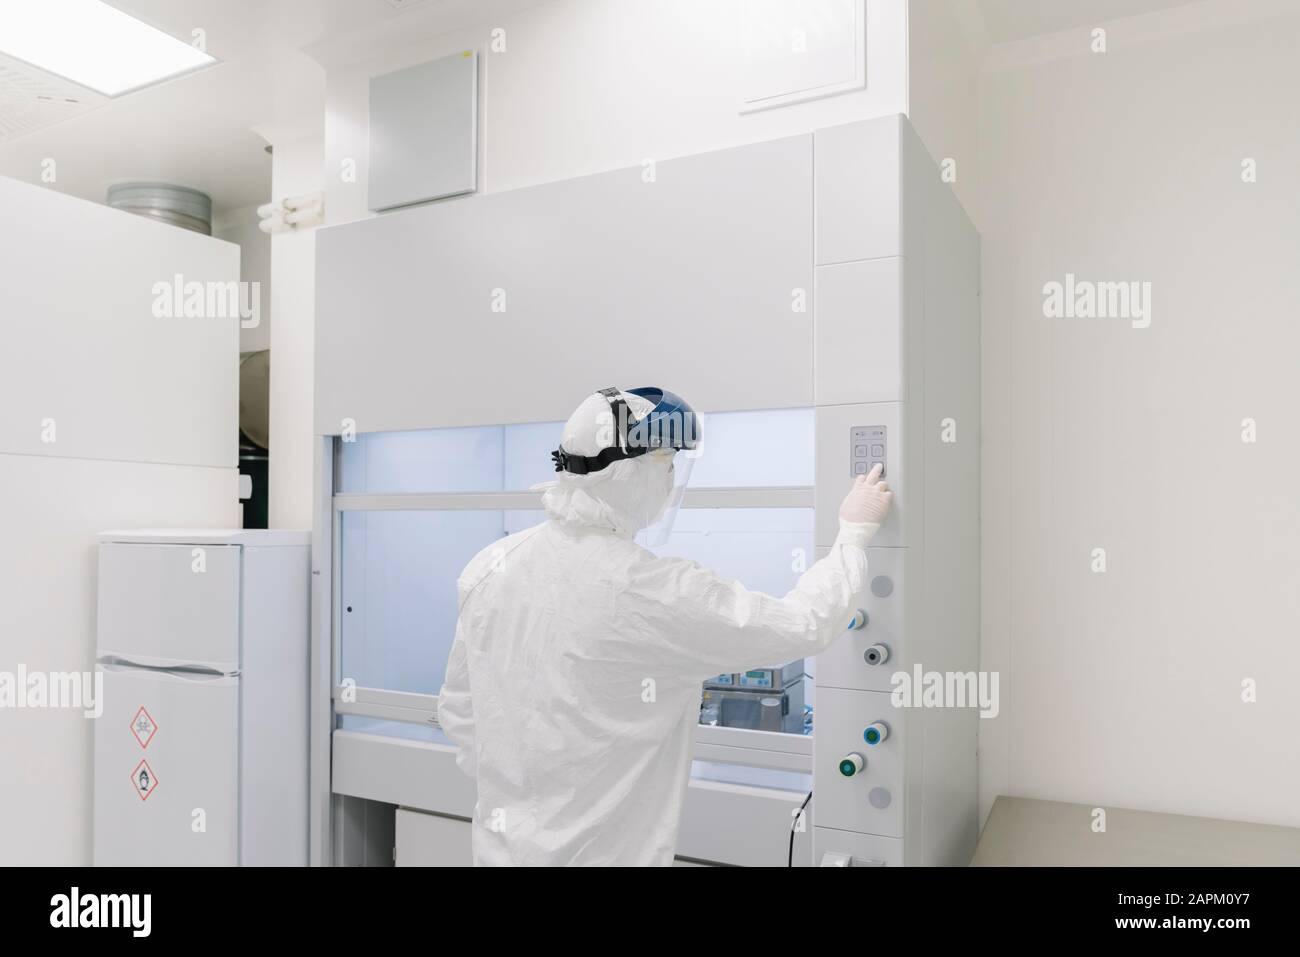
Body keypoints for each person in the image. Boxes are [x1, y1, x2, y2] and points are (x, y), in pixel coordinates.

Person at [437, 386, 892, 866]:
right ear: (628, 474)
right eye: (667, 465)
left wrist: (529, 795)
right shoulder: (648, 589)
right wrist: (853, 536)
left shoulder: (491, 564)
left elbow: (461, 712)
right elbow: (802, 625)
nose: (672, 480)